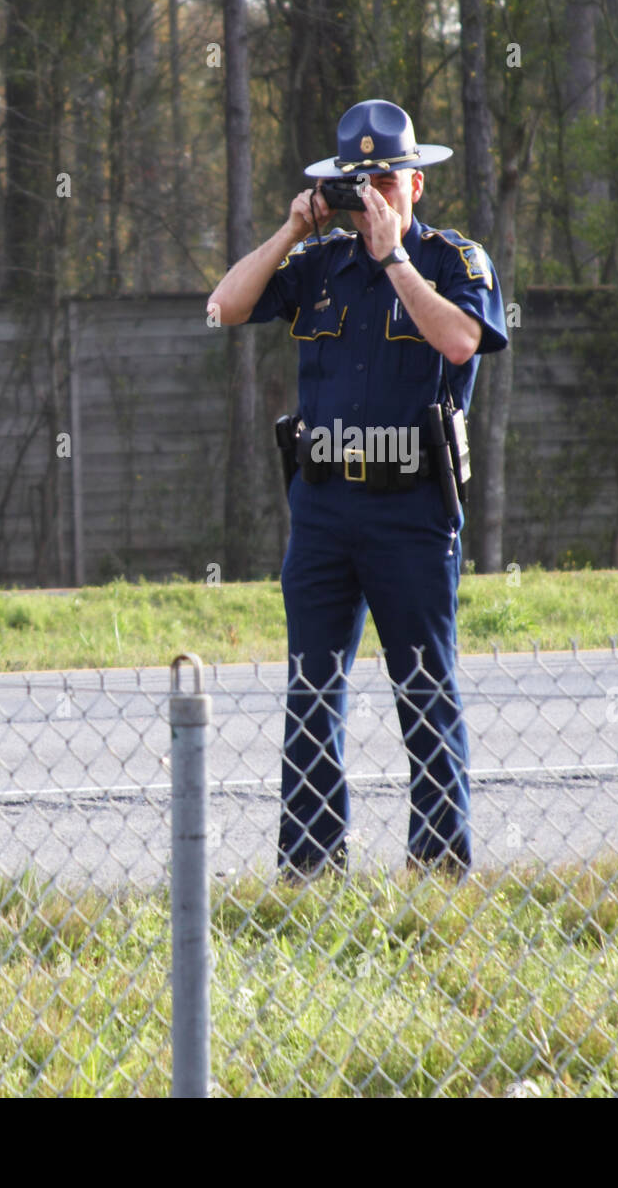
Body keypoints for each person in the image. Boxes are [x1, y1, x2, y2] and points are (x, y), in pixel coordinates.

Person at [207, 99, 508, 879]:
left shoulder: (452, 261)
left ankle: (438, 865)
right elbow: (225, 306)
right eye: (357, 182)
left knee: (423, 689)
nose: (373, 194)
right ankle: (309, 865)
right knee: (311, 692)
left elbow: (459, 340)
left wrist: (393, 260)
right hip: (325, 510)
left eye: (387, 179)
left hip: (411, 509)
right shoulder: (318, 265)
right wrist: (291, 231)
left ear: (417, 184)